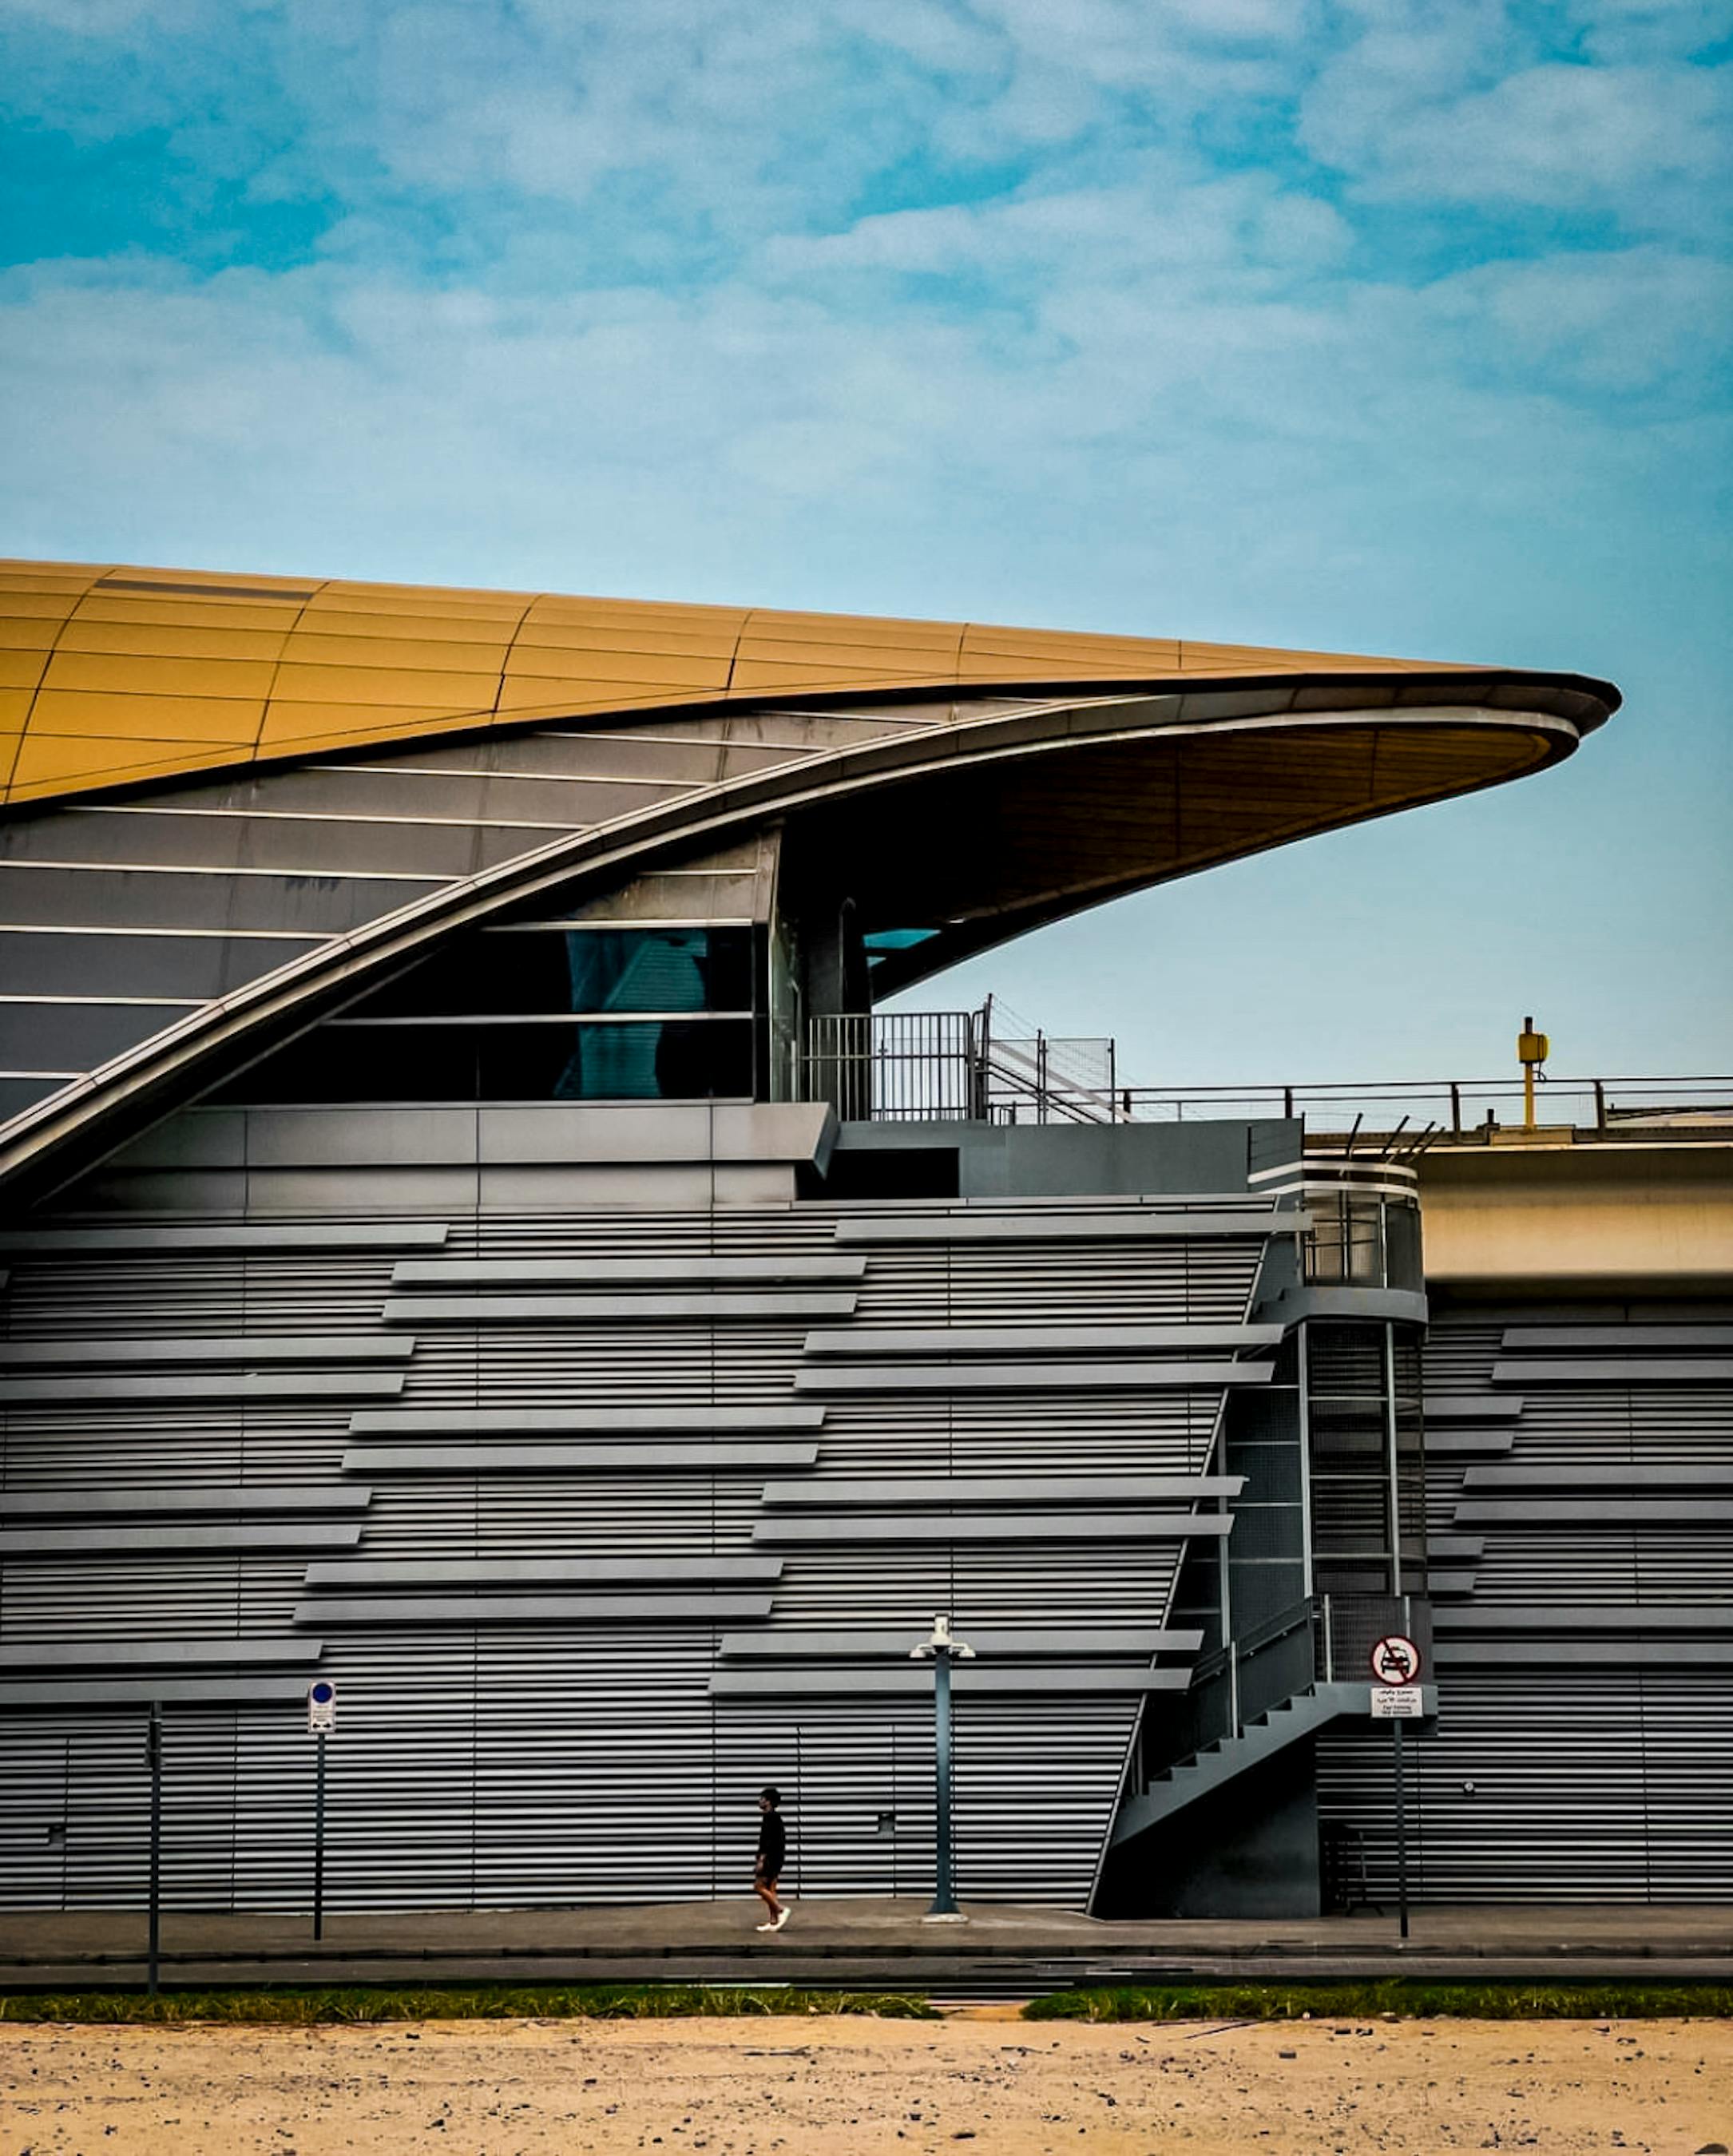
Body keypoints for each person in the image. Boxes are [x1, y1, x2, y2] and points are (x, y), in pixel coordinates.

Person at [753, 1786, 789, 1931]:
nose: (759, 1801)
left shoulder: (770, 1818)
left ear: (768, 1801)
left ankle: (780, 1910)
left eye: (762, 1799)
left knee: (759, 1886)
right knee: (770, 1888)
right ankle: (773, 1921)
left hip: (770, 1859)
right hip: (776, 1858)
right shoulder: (774, 1818)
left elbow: (768, 1842)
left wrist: (761, 1860)